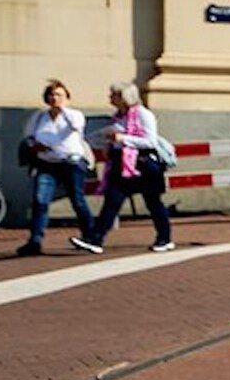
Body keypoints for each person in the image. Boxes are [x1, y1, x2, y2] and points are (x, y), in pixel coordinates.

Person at [72, 80, 172, 253]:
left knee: (153, 202)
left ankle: (164, 238)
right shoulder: (119, 116)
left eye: (114, 94)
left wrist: (122, 139)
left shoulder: (143, 114)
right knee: (112, 201)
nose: (110, 97)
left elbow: (150, 141)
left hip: (143, 164)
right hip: (121, 163)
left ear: (123, 96)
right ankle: (96, 239)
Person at [17, 79, 94, 256]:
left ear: (67, 98)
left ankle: (90, 235)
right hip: (46, 164)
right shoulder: (39, 117)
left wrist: (63, 110)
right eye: (51, 95)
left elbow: (76, 127)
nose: (54, 98)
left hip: (71, 162)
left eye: (59, 95)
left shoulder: (74, 115)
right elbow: (28, 136)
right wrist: (34, 145)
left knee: (77, 200)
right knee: (40, 200)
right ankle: (35, 240)